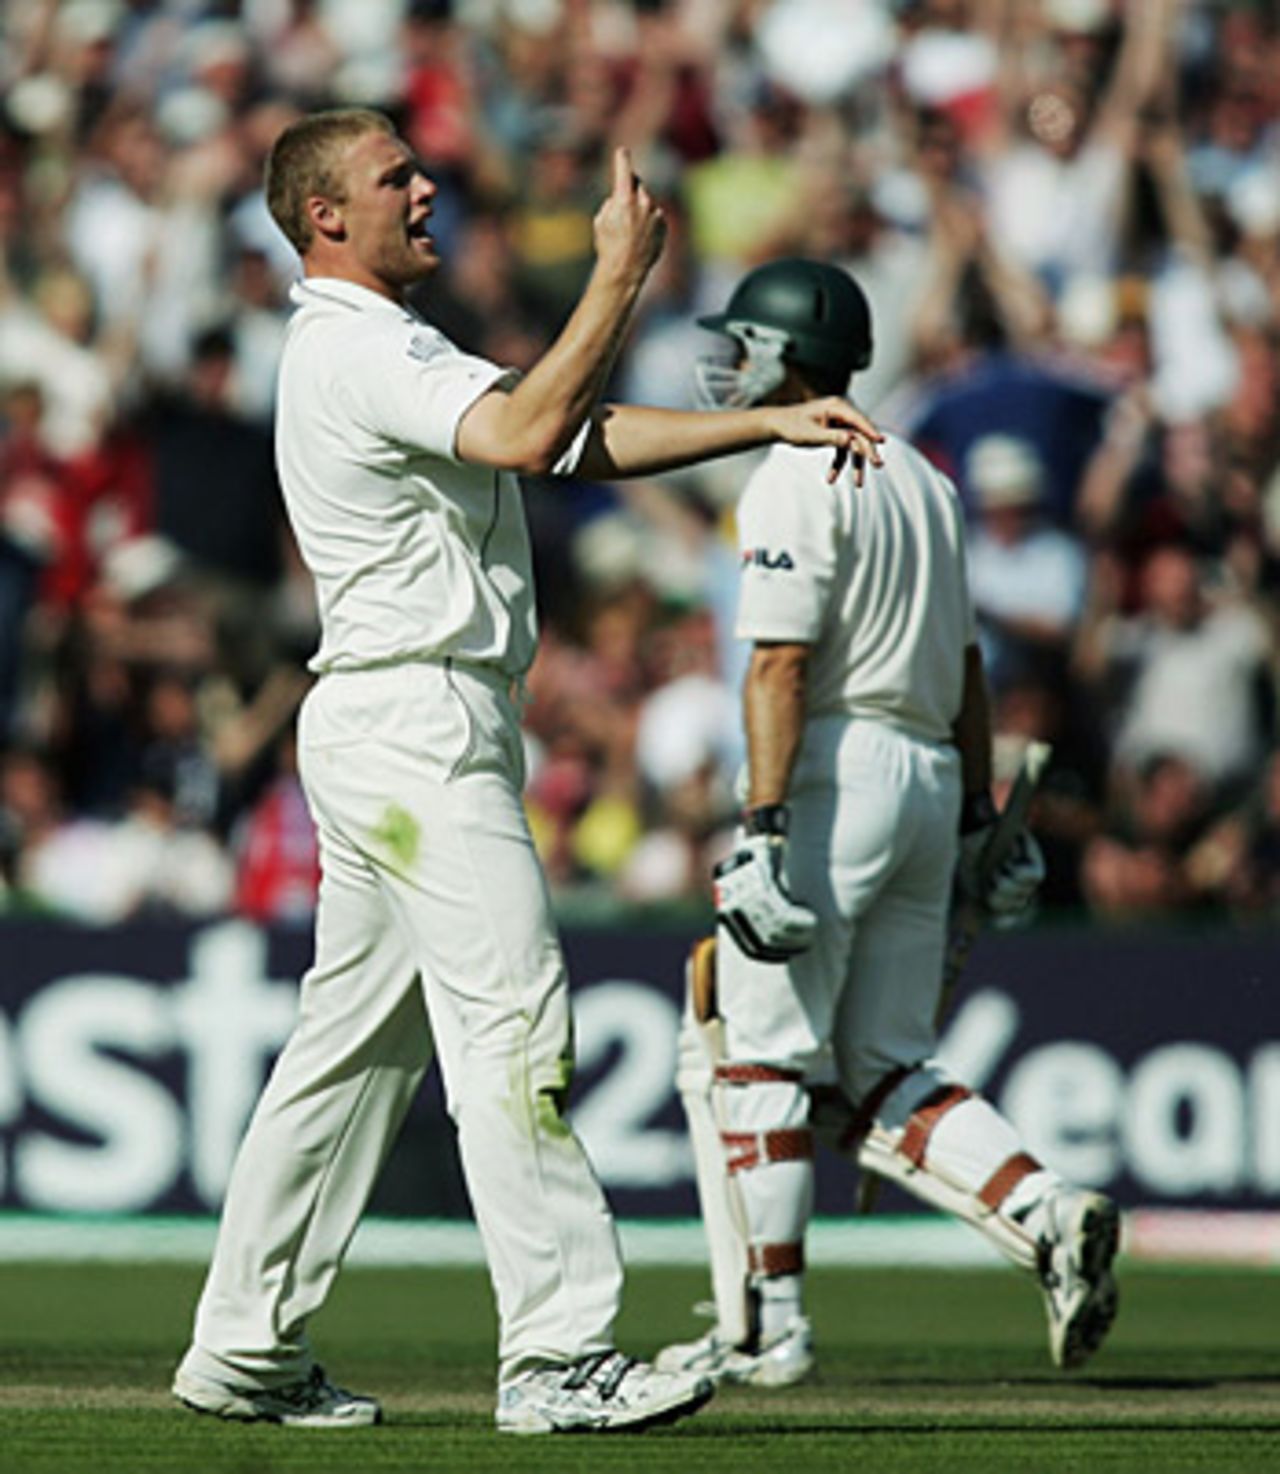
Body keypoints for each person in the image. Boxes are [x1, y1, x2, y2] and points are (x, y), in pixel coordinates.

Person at [171, 109, 883, 1435]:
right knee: (511, 1021)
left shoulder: (380, 342)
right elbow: (525, 431)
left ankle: (244, 1342)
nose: (425, 188)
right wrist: (618, 275)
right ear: (325, 216)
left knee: (348, 1055)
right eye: (394, 177)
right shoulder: (363, 346)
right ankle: (556, 1354)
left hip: (397, 719)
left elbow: (562, 433)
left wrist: (765, 424)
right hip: (418, 724)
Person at [656, 257, 1120, 1389]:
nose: (730, 363)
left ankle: (766, 1327)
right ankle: (1044, 1211)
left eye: (746, 344)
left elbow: (778, 664)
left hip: (833, 772)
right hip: (924, 777)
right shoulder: (925, 478)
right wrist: (972, 813)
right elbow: (968, 669)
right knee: (883, 1067)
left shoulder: (791, 469)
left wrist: (764, 826)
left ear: (787, 356)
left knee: (755, 1057)